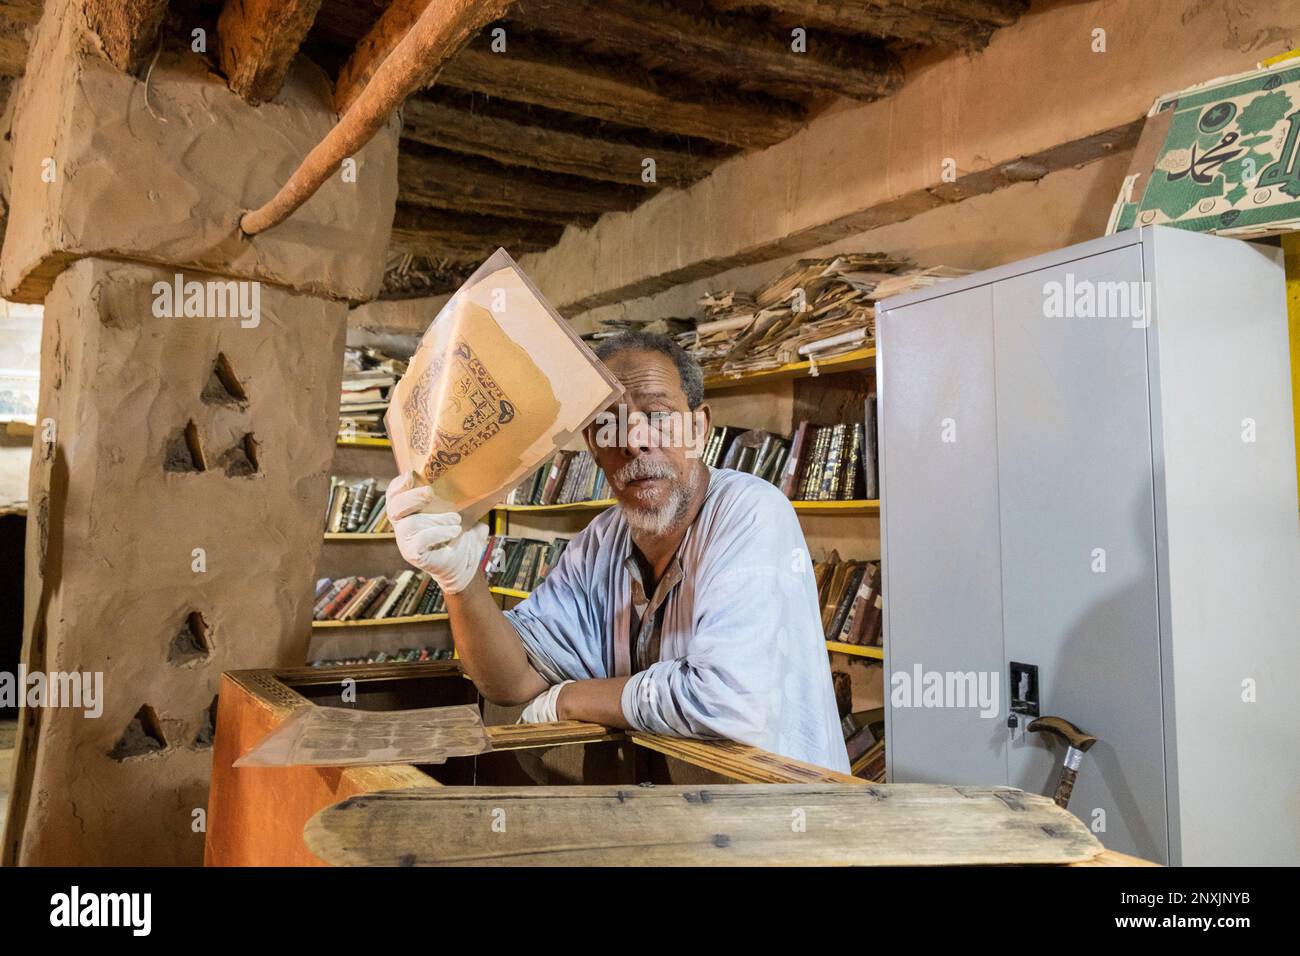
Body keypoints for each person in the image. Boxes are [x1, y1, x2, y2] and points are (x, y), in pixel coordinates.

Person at [386, 331, 851, 773]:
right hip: (684, 819)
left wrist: (569, 698)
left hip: (785, 821)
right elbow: (511, 682)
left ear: (700, 427)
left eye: (658, 416)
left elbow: (725, 705)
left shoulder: (751, 511)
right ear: (592, 445)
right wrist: (461, 582)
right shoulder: (600, 541)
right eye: (608, 425)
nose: (632, 441)